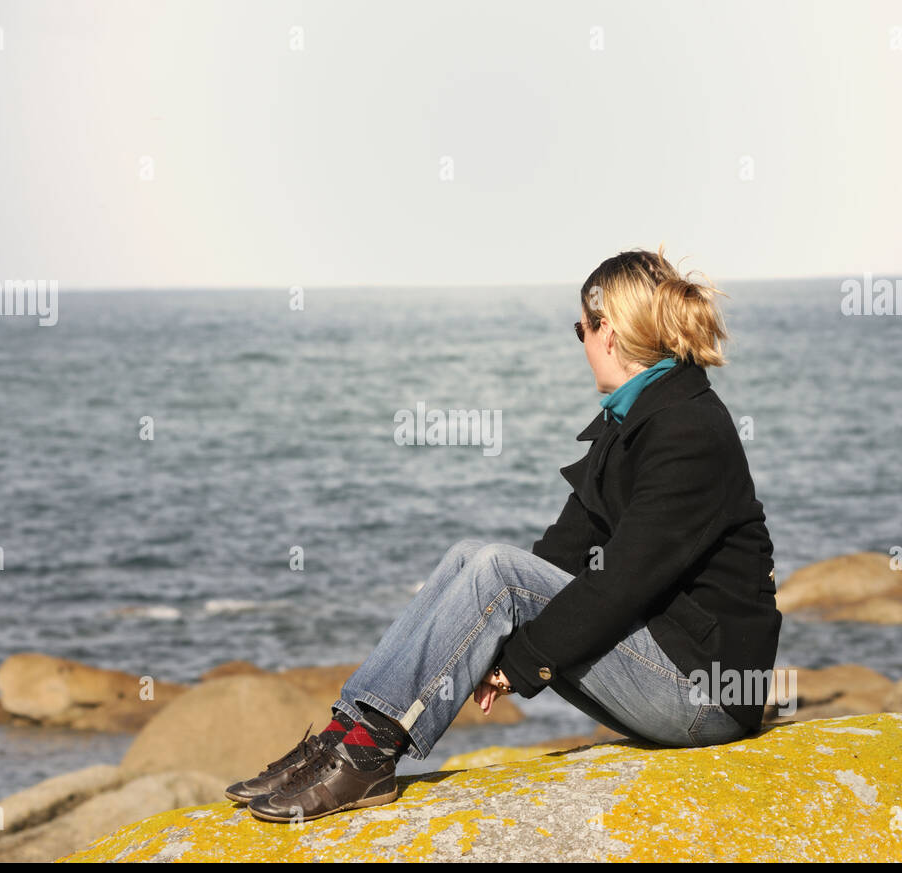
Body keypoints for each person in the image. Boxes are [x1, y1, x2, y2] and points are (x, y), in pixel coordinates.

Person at [226, 244, 782, 823]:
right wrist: (492, 636)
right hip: (665, 661)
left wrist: (520, 661)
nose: (582, 345)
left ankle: (370, 756)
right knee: (473, 557)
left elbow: (622, 582)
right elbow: (563, 551)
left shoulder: (687, 430)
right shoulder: (636, 418)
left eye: (580, 330)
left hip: (705, 694)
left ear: (608, 333)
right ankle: (344, 735)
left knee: (495, 570)